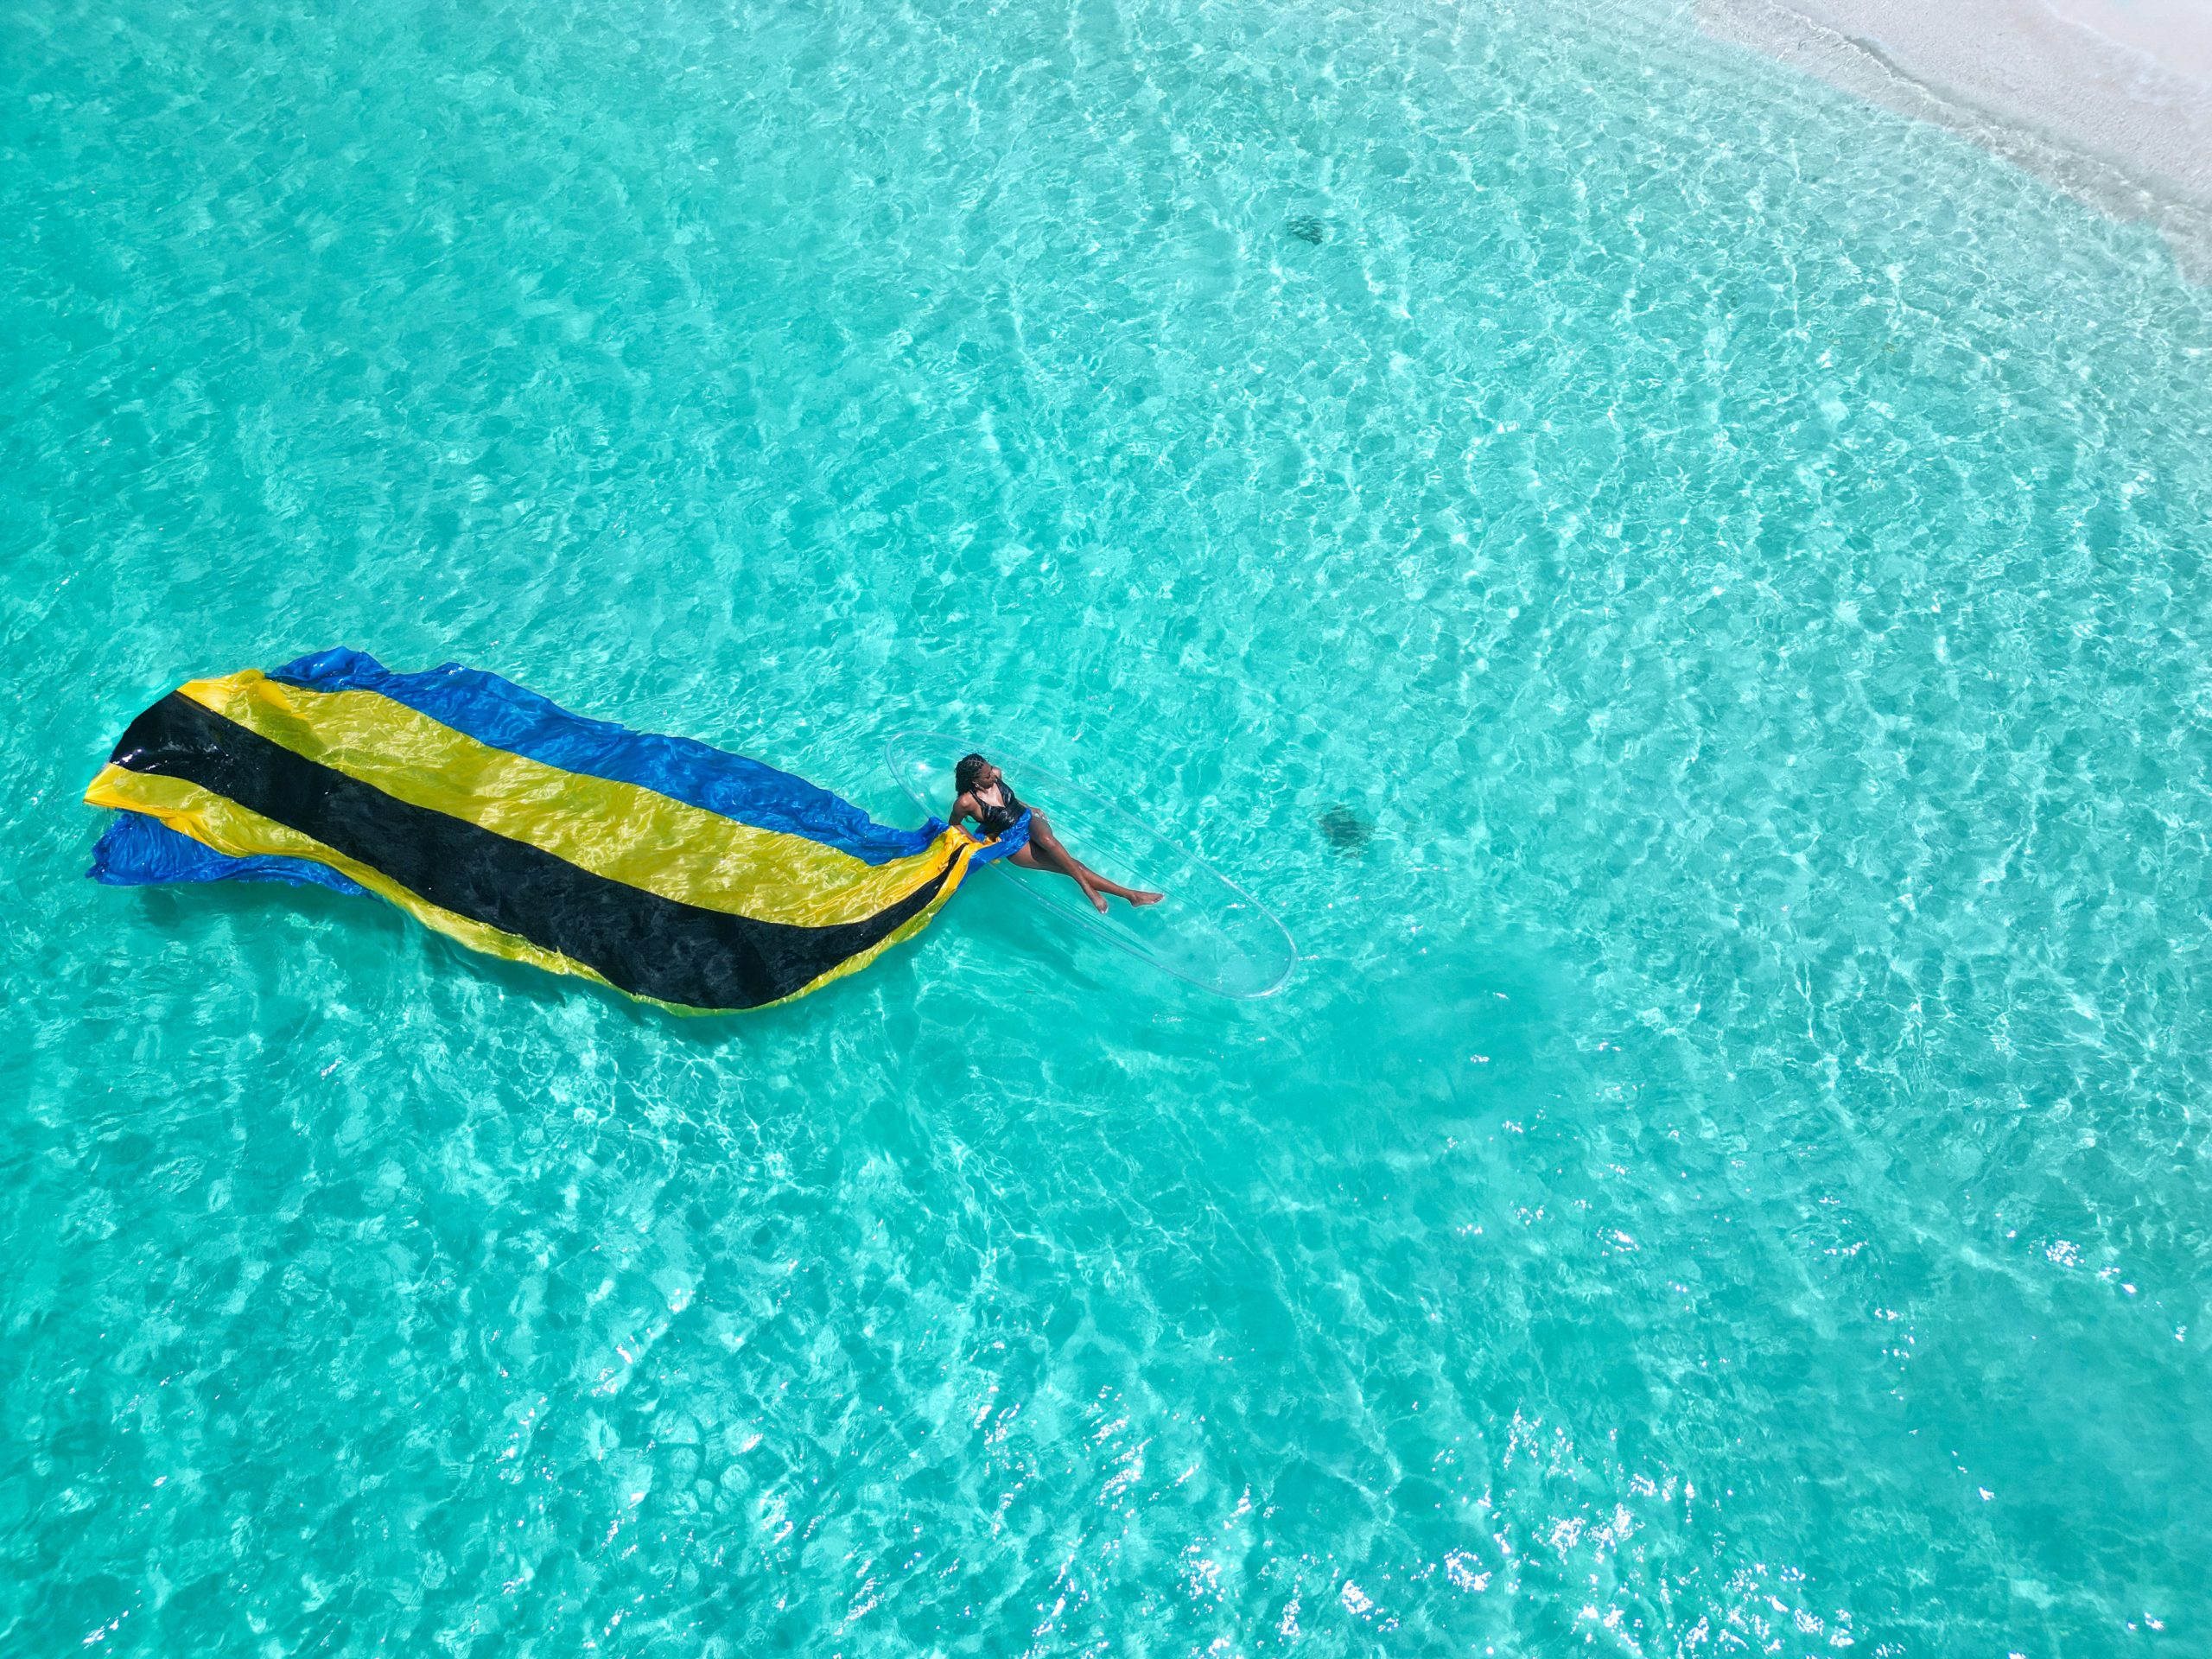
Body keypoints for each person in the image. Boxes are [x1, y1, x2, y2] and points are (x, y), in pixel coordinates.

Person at [949, 753, 1162, 914]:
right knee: (1073, 866)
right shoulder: (965, 802)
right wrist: (975, 843)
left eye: (991, 770)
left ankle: (1088, 889)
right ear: (975, 781)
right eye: (987, 776)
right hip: (1011, 842)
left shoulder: (996, 773)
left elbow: (1010, 801)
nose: (993, 776)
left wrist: (1029, 806)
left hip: (1027, 819)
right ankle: (1131, 895)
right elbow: (954, 823)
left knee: (1048, 839)